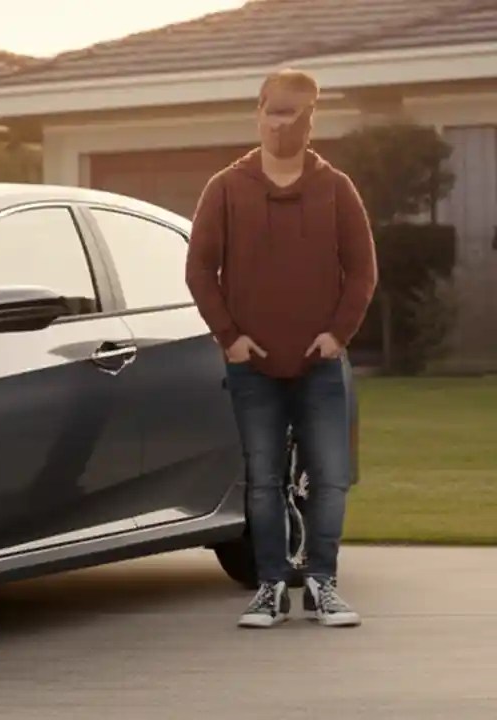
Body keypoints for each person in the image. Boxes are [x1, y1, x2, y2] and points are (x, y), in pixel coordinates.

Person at [185, 69, 378, 629]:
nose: (277, 122)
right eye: (270, 110)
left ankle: (322, 584)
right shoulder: (226, 188)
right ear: (258, 113)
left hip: (320, 364)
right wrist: (230, 337)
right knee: (263, 479)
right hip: (254, 367)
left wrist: (338, 335)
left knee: (331, 475)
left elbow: (362, 271)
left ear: (310, 118)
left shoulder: (336, 189)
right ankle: (270, 586)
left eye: (289, 112)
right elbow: (200, 269)